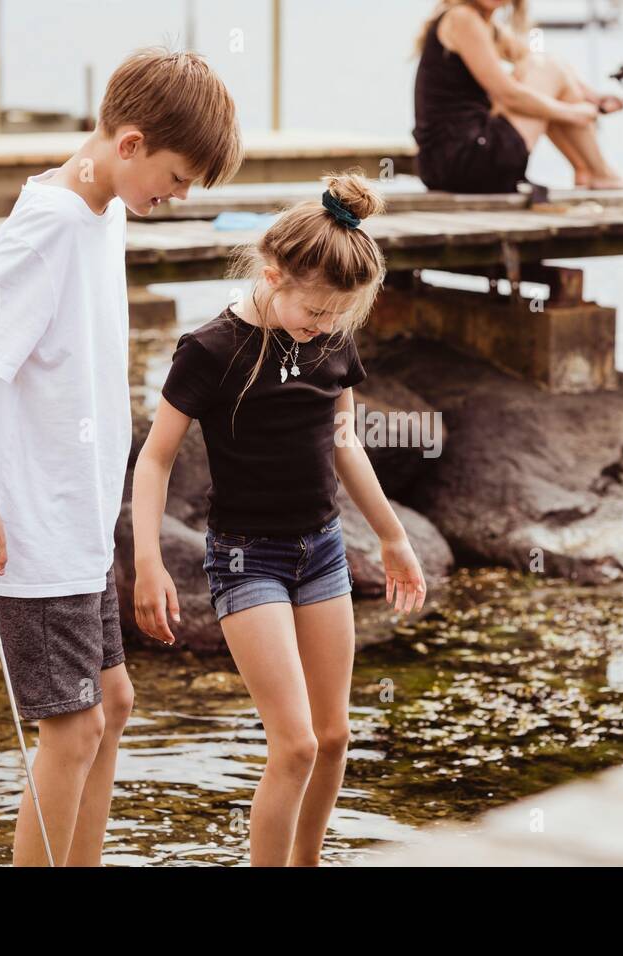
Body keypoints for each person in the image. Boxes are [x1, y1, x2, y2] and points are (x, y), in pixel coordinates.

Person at [0, 47, 243, 866]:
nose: (174, 199)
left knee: (113, 703)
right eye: (174, 178)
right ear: (130, 143)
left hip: (81, 522)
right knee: (72, 731)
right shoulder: (54, 223)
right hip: (33, 527)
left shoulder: (100, 208)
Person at [131, 172, 428, 867]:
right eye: (317, 311)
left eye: (338, 317)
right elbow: (154, 460)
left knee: (333, 738)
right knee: (293, 744)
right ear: (272, 274)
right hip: (245, 558)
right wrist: (148, 561)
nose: (325, 326)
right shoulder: (208, 351)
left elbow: (344, 441)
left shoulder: (330, 337)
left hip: (321, 550)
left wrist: (393, 536)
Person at [412, 0, 623, 192]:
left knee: (542, 64)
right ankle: (599, 172)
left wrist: (594, 98)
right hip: (462, 161)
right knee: (543, 72)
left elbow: (542, 58)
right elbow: (509, 95)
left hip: (448, 164)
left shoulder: (489, 27)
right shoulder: (463, 18)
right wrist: (573, 113)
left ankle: (586, 170)